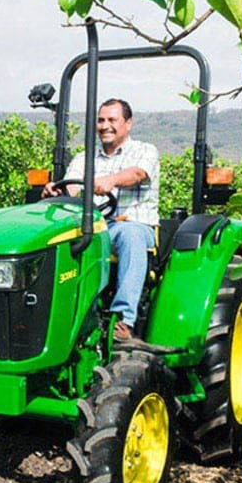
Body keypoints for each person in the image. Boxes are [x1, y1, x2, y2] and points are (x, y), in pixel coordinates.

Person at [42, 98, 159, 345]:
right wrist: (57, 191)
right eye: (101, 120)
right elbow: (72, 186)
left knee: (130, 234)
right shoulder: (85, 157)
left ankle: (123, 320)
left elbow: (138, 173)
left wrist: (111, 180)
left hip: (132, 224)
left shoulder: (145, 151)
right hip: (96, 227)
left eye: (112, 120)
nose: (105, 126)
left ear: (128, 123)